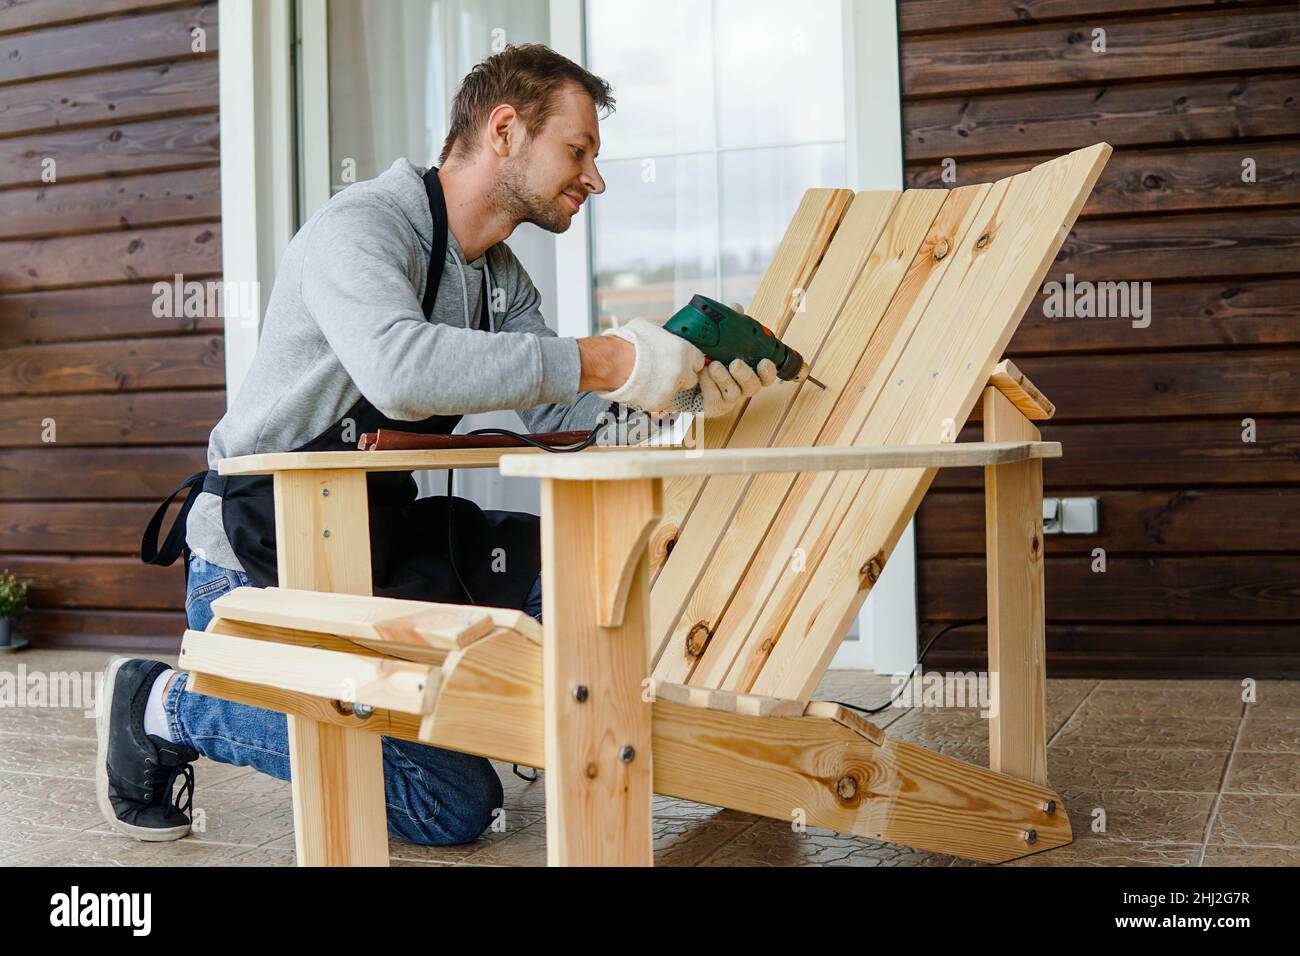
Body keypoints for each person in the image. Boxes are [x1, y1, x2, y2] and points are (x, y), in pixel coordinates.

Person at [103, 44, 779, 847]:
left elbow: (573, 427)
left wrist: (682, 397)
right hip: (262, 556)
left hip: (377, 538)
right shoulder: (361, 226)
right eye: (578, 150)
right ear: (504, 130)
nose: (593, 178)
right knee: (452, 805)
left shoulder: (499, 277)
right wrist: (606, 357)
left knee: (590, 576)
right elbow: (401, 371)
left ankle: (497, 721)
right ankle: (164, 701)